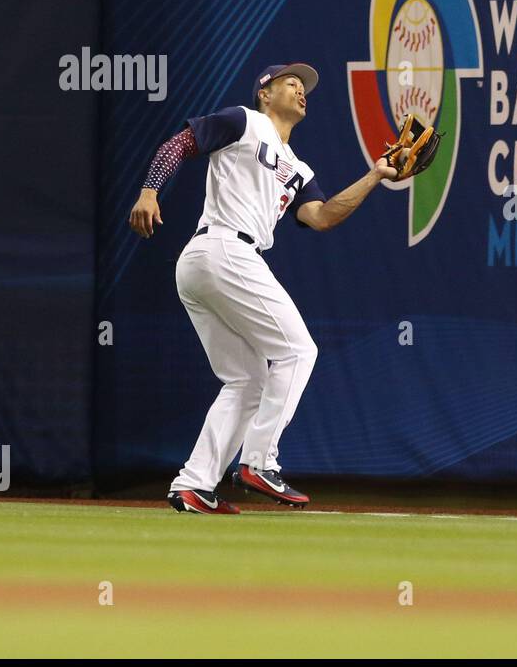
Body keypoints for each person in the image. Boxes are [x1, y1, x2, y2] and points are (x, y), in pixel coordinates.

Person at [129, 63, 398, 514]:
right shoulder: (244, 121)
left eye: (304, 86)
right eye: (289, 83)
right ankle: (259, 461)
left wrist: (376, 175)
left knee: (247, 379)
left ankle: (193, 484)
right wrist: (150, 190)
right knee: (298, 351)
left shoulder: (297, 167)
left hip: (211, 263)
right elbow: (180, 143)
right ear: (264, 94)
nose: (300, 89)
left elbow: (323, 216)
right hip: (221, 248)